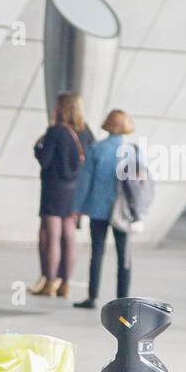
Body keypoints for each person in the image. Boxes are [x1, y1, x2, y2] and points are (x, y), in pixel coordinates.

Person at [74, 109, 137, 310]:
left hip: (98, 208)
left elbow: (85, 181)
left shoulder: (96, 148)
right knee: (124, 256)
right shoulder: (133, 150)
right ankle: (123, 300)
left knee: (97, 252)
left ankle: (92, 297)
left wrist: (78, 208)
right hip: (123, 210)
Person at [32, 92, 92, 297]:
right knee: (69, 236)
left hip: (54, 188)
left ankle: (49, 282)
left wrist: (38, 146)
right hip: (76, 189)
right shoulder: (86, 132)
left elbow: (45, 159)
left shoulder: (56, 131)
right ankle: (65, 284)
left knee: (51, 236)